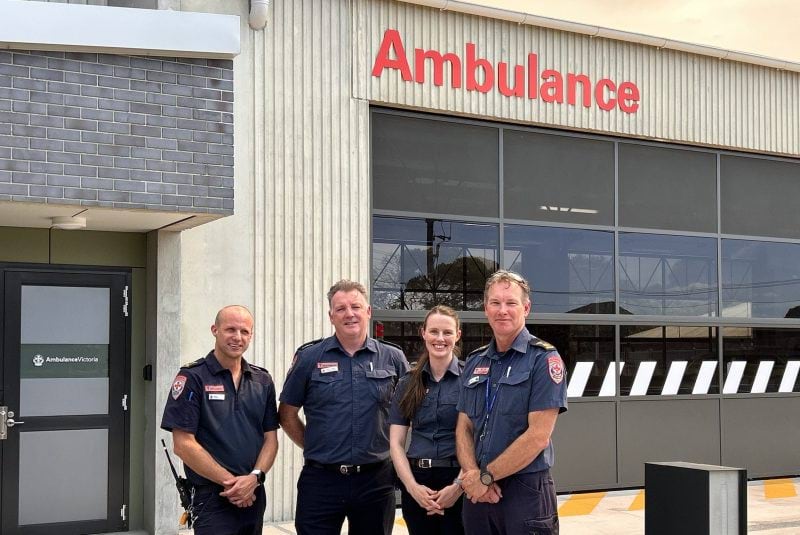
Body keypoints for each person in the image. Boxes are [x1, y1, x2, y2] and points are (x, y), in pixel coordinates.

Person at [279, 280, 410, 535]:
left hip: (376, 480)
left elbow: (410, 412)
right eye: (341, 309)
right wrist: (316, 444)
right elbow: (287, 414)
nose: (349, 314)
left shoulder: (393, 358)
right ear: (331, 316)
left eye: (356, 306)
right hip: (321, 481)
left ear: (368, 311)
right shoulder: (309, 357)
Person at [455, 270, 568, 535]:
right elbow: (463, 426)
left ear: (526, 308)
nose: (502, 310)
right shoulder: (475, 361)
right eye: (495, 303)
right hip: (477, 495)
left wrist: (485, 477)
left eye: (511, 303)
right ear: (485, 309)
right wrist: (472, 475)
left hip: (525, 491)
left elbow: (538, 436)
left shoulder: (543, 359)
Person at [160, 305, 279, 535]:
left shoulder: (262, 380)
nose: (237, 337)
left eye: (244, 331)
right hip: (212, 498)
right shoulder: (193, 377)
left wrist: (254, 479)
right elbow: (183, 444)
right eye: (230, 329)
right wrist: (233, 485)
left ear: (251, 335)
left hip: (254, 494)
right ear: (215, 330)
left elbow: (271, 439)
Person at [389, 305, 466, 535]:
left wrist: (457, 488)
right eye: (433, 331)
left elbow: (478, 439)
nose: (440, 338)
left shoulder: (470, 380)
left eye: (447, 332)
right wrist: (412, 488)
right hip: (417, 482)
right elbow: (395, 443)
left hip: (458, 481)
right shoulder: (408, 382)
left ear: (457, 335)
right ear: (423, 333)